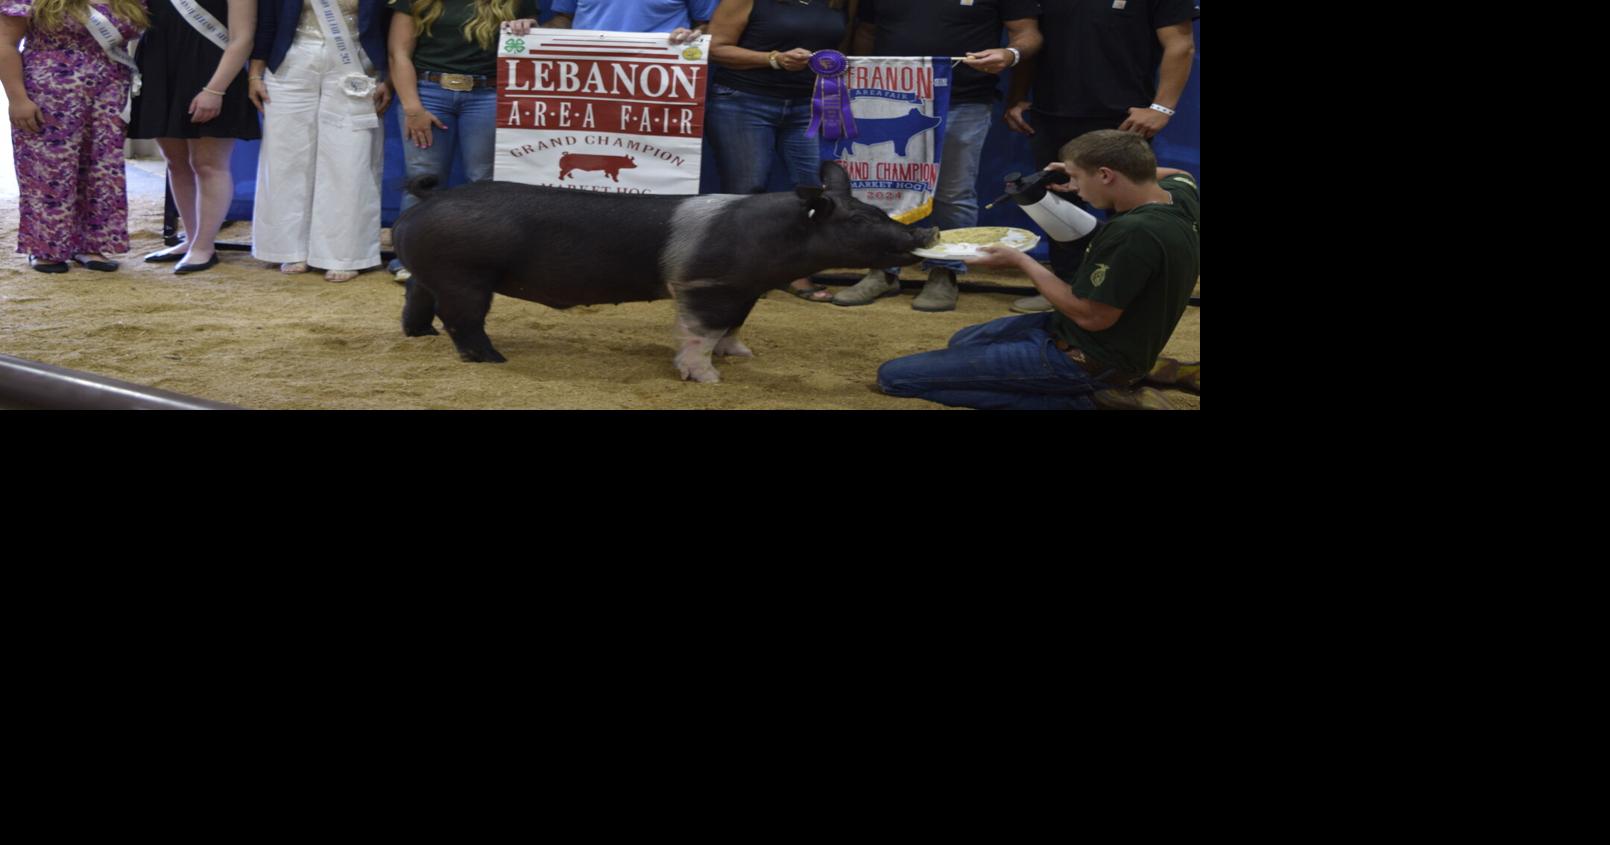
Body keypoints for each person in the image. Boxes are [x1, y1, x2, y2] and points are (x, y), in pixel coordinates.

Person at [876, 130, 1197, 410]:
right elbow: (1180, 173)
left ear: (1105, 175)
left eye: (1076, 178)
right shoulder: (1180, 197)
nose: (1075, 187)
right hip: (1080, 332)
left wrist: (1022, 262)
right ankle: (1138, 370)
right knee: (963, 341)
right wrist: (1086, 170)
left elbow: (1093, 317)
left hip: (1087, 357)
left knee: (895, 378)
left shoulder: (1132, 233)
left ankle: (1087, 399)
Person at [830, 0, 1040, 312]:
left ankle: (946, 271)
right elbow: (866, 32)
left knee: (953, 193)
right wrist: (856, 80)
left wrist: (1010, 54)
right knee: (885, 187)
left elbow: (1028, 34)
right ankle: (884, 270)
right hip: (886, 97)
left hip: (962, 99)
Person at [1001, 0, 1194, 313]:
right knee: (1057, 206)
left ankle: (1133, 294)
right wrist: (1018, 96)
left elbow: (1181, 44)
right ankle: (1066, 288)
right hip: (1051, 113)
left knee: (1130, 209)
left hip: (1124, 118)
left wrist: (1162, 107)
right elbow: (1029, 41)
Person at [706, 0, 850, 302]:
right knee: (746, 189)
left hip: (806, 105)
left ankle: (794, 270)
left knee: (811, 189)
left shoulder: (838, 3)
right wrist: (773, 59)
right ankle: (741, 271)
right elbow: (715, 47)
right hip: (742, 100)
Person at [385, 0, 538, 282]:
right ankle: (409, 259)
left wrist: (528, 27)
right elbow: (398, 52)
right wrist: (412, 106)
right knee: (423, 178)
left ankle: (485, 256)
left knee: (485, 180)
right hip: (428, 91)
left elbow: (530, 39)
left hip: (488, 93)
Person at [249, 0, 392, 282]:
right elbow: (267, 22)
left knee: (350, 156)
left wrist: (389, 76)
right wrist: (255, 73)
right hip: (290, 63)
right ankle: (288, 248)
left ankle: (344, 253)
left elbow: (390, 24)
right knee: (285, 155)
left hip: (357, 64)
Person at [1, 0, 148, 273]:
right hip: (48, 91)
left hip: (110, 91)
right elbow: (5, 43)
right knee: (49, 170)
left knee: (103, 169)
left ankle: (93, 244)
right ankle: (45, 247)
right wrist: (17, 98)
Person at [132, 0, 258, 274]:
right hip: (160, 67)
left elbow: (243, 38)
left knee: (208, 164)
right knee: (176, 162)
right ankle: (190, 239)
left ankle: (204, 246)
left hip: (212, 72)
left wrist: (215, 90)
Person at [544, 0, 714, 43]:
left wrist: (694, 35)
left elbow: (708, 25)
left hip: (661, 78)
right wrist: (533, 34)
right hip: (587, 74)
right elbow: (564, 19)